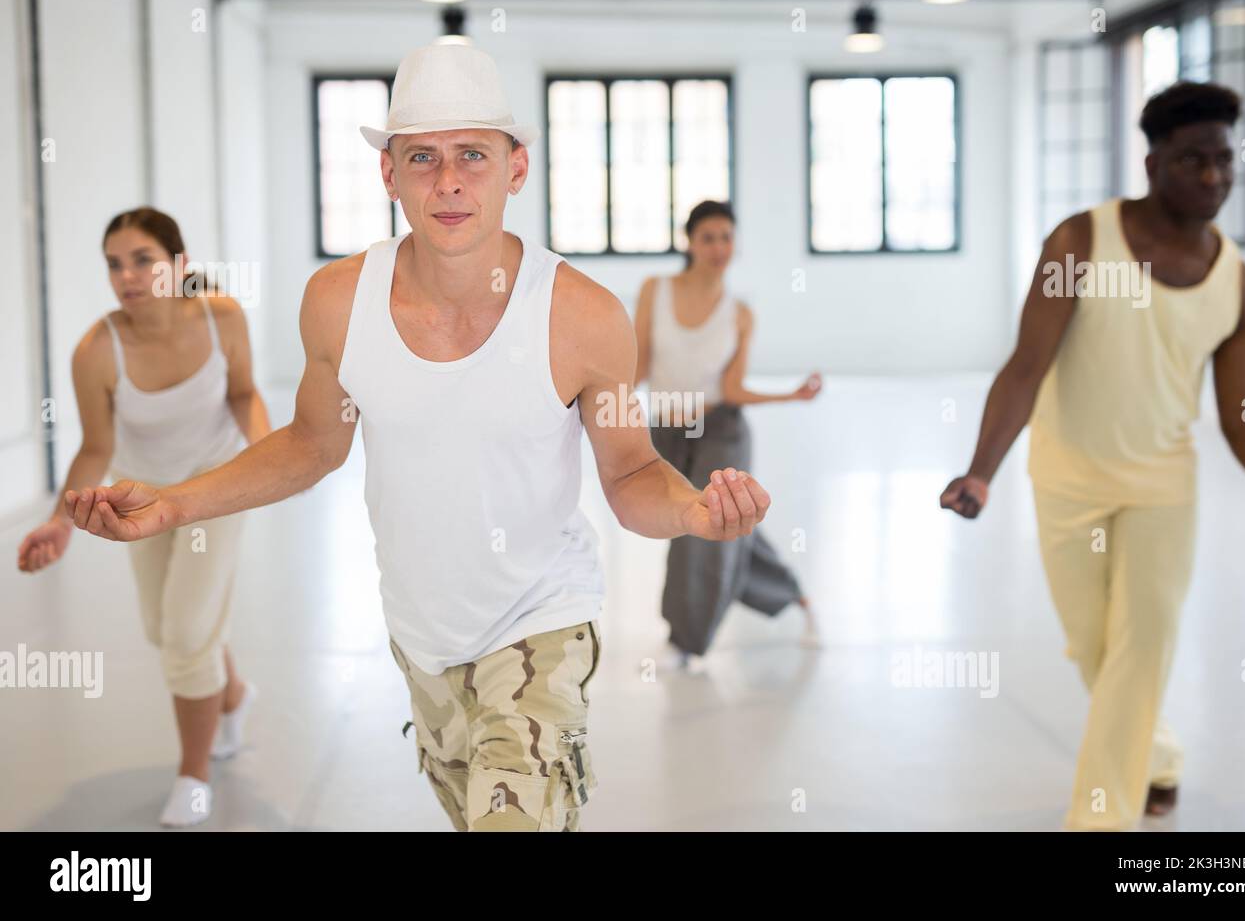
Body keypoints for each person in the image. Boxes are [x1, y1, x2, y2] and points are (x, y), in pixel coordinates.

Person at [66, 43, 773, 832]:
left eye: (473, 153)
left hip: (542, 623)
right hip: (422, 637)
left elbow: (634, 470)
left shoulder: (582, 316)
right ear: (388, 174)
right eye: (422, 157)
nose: (448, 182)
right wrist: (172, 503)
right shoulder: (338, 300)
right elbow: (311, 443)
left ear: (516, 167)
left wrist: (694, 514)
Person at [939, 81, 1245, 830]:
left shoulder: (1242, 285)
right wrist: (981, 469)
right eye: (1191, 160)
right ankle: (1157, 754)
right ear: (1152, 162)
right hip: (1068, 478)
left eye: (1224, 161)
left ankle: (1099, 817)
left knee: (1144, 645)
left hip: (1164, 488)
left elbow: (1243, 421)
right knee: (1094, 645)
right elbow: (1026, 366)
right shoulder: (1079, 242)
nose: (1212, 177)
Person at [18, 206, 271, 827]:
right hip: (141, 502)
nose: (126, 275)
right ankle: (232, 695)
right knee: (167, 629)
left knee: (186, 636)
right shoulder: (95, 350)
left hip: (216, 487)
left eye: (143, 259)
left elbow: (242, 392)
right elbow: (96, 447)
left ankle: (194, 773)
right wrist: (59, 522)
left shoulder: (223, 319)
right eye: (114, 264)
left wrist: (267, 460)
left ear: (179, 266)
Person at [634, 199, 821, 670]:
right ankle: (794, 595)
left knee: (708, 531)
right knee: (719, 527)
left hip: (721, 428)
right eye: (708, 237)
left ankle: (687, 641)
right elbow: (637, 366)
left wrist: (790, 397)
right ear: (690, 242)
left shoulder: (740, 313)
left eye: (726, 237)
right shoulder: (654, 291)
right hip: (667, 428)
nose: (718, 247)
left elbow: (733, 388)